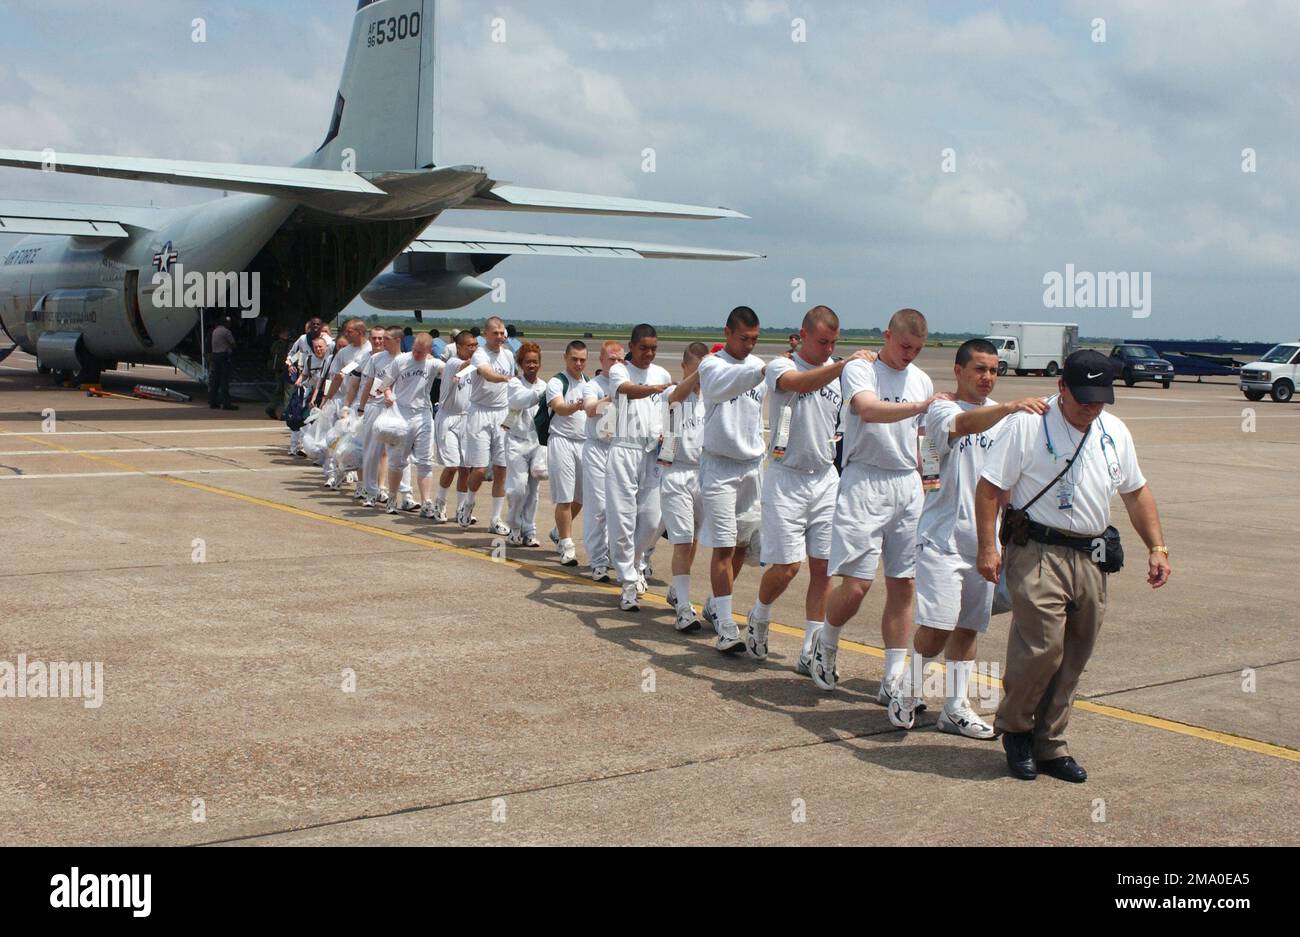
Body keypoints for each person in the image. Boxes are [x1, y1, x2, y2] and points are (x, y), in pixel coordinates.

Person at [976, 350, 1170, 783]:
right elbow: (989, 488)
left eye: (1100, 398)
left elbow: (1136, 492)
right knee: (1042, 647)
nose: (1091, 407)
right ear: (1061, 387)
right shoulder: (1028, 424)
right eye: (1083, 397)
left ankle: (1051, 743)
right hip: (1038, 551)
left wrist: (1157, 546)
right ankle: (1017, 730)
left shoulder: (1113, 431)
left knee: (1076, 653)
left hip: (1093, 555)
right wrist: (988, 547)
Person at [888, 339, 1049, 737]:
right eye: (979, 369)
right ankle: (906, 690)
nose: (987, 378)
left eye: (994, 370)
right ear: (958, 371)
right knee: (939, 626)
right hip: (941, 540)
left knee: (969, 627)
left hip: (983, 542)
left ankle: (954, 708)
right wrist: (1009, 408)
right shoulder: (943, 409)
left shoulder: (1007, 422)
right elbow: (964, 425)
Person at [812, 309, 941, 701]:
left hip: (906, 483)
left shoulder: (921, 379)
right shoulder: (862, 370)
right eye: (904, 346)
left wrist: (931, 484)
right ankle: (827, 640)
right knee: (856, 585)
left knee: (904, 583)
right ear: (887, 335)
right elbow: (867, 409)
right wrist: (921, 407)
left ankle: (891, 677)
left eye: (917, 349)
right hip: (864, 478)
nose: (909, 355)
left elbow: (925, 442)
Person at [747, 307, 875, 665]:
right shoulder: (781, 366)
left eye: (834, 343)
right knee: (787, 567)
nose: (828, 349)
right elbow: (799, 384)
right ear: (802, 335)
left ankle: (810, 646)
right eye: (821, 342)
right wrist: (843, 364)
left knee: (823, 566)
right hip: (786, 476)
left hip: (824, 478)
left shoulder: (840, 373)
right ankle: (760, 613)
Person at [696, 306, 767, 651]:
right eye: (743, 339)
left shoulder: (758, 368)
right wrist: (764, 371)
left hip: (751, 467)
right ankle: (726, 625)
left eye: (755, 340)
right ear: (727, 333)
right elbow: (726, 386)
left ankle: (714, 603)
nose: (749, 346)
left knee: (741, 543)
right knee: (723, 544)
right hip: (720, 467)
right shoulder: (712, 365)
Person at [605, 325, 671, 612]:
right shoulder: (620, 370)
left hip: (653, 453)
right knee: (622, 519)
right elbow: (624, 391)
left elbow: (671, 411)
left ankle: (635, 561)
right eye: (644, 347)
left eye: (654, 348)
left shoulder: (663, 374)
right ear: (632, 346)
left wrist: (669, 445)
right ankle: (629, 582)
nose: (649, 353)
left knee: (655, 518)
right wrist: (652, 390)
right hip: (624, 449)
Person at [659, 343, 709, 631]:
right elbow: (676, 397)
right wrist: (699, 374)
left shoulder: (711, 398)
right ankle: (683, 610)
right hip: (676, 473)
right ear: (685, 366)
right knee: (681, 540)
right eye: (697, 369)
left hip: (702, 475)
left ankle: (677, 590)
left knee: (693, 541)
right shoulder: (673, 392)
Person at [460, 317, 516, 534]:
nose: (500, 337)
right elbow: (487, 374)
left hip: (502, 414)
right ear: (486, 334)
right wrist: (504, 378)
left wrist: (511, 419)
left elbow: (513, 389)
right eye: (495, 333)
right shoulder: (479, 354)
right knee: (480, 469)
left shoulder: (509, 355)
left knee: (502, 468)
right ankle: (468, 503)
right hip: (480, 413)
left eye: (502, 333)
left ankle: (495, 518)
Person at [354, 328, 415, 509]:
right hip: (375, 407)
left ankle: (406, 495)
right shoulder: (375, 359)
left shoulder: (407, 360)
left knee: (401, 453)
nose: (381, 342)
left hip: (397, 410)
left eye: (386, 339)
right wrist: (361, 408)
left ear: (397, 340)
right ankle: (371, 492)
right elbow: (368, 385)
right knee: (372, 451)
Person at [380, 333, 440, 516]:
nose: (416, 355)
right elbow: (385, 384)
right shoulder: (401, 361)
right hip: (401, 415)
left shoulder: (432, 363)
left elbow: (452, 369)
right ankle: (392, 497)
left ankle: (426, 502)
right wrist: (388, 394)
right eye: (414, 350)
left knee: (425, 461)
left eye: (420, 352)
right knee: (398, 461)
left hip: (422, 415)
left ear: (429, 351)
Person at [581, 341, 625, 583]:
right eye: (611, 360)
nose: (616, 364)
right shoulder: (593, 386)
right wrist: (612, 396)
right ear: (602, 361)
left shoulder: (629, 382)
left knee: (620, 508)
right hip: (598, 448)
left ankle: (619, 558)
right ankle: (597, 560)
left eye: (620, 360)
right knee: (598, 507)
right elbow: (589, 409)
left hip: (620, 449)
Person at [545, 341, 590, 567]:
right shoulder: (556, 382)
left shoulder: (589, 383)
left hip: (584, 444)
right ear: (565, 358)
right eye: (574, 359)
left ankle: (557, 530)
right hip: (561, 441)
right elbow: (559, 407)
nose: (578, 363)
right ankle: (566, 545)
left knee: (580, 498)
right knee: (564, 497)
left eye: (582, 359)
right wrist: (576, 406)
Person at [430, 330, 479, 522]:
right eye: (470, 346)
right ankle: (440, 503)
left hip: (467, 419)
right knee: (451, 466)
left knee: (465, 467)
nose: (474, 349)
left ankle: (461, 509)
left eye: (476, 345)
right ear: (458, 347)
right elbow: (466, 365)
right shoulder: (452, 363)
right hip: (448, 418)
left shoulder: (475, 367)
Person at [503, 342, 549, 546]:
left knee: (533, 489)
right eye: (527, 362)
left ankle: (529, 529)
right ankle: (514, 524)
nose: (532, 365)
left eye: (535, 362)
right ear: (520, 363)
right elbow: (520, 401)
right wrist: (543, 395)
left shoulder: (545, 386)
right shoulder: (514, 384)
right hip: (516, 442)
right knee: (518, 489)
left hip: (537, 444)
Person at [319, 318, 368, 489]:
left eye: (349, 331)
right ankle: (332, 474)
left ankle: (351, 473)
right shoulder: (343, 353)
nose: (346, 334)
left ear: (360, 332)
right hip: (343, 403)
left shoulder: (370, 351)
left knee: (355, 444)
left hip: (360, 404)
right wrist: (326, 399)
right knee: (335, 439)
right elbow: (336, 378)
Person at [344, 327, 388, 500]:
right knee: (364, 448)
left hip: (385, 408)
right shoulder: (362, 358)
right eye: (374, 338)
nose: (377, 342)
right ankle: (362, 484)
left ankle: (381, 487)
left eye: (380, 338)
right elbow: (354, 384)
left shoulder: (393, 358)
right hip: (365, 408)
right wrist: (347, 407)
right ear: (370, 339)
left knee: (384, 451)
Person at [288, 334, 330, 456]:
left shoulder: (330, 360)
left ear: (326, 347)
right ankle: (304, 446)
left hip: (326, 393)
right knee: (306, 419)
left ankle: (320, 449)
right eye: (316, 347)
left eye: (321, 347)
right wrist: (299, 381)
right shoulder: (309, 359)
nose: (318, 349)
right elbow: (305, 374)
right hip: (312, 393)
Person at [209, 317, 237, 411]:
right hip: (224, 357)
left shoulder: (215, 331)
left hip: (215, 356)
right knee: (224, 380)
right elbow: (233, 344)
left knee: (215, 380)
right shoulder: (226, 332)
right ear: (226, 323)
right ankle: (226, 403)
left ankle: (213, 402)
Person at [266, 326, 292, 420]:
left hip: (278, 370)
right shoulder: (290, 344)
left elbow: (272, 353)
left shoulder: (276, 344)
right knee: (288, 392)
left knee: (279, 392)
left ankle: (271, 407)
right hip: (287, 370)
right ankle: (286, 412)